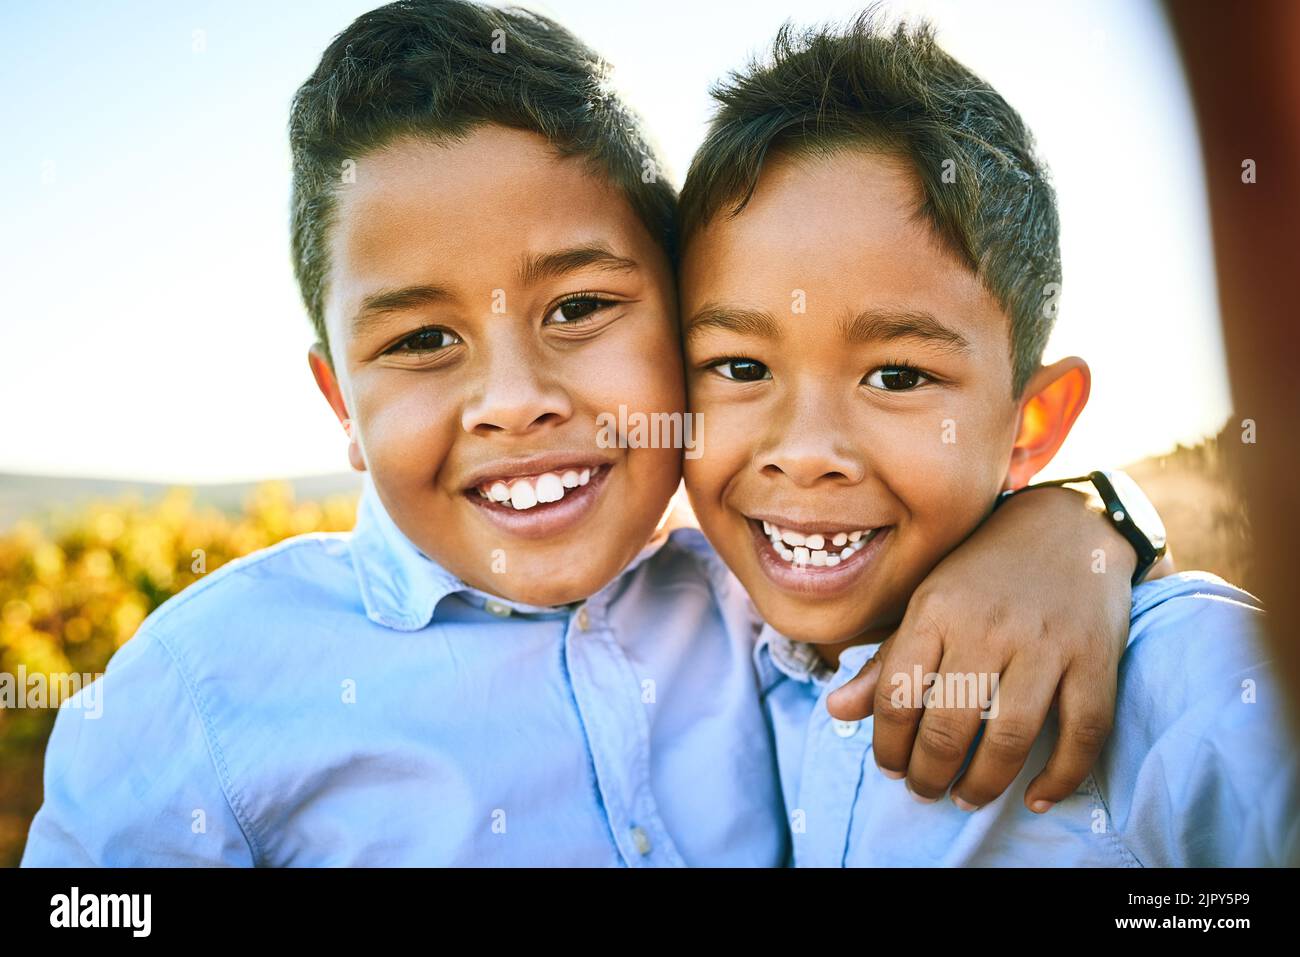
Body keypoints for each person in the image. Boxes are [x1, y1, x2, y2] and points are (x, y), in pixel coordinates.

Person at [23, 0, 1154, 866]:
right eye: (420, 341)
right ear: (342, 409)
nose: (514, 400)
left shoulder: (760, 595)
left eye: (578, 309)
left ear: (675, 315)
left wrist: (1084, 526)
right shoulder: (199, 693)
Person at [677, 11, 1298, 865]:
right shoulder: (682, 632)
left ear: (1031, 422)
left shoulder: (1173, 676)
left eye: (896, 376)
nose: (806, 448)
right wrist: (1099, 513)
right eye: (740, 366)